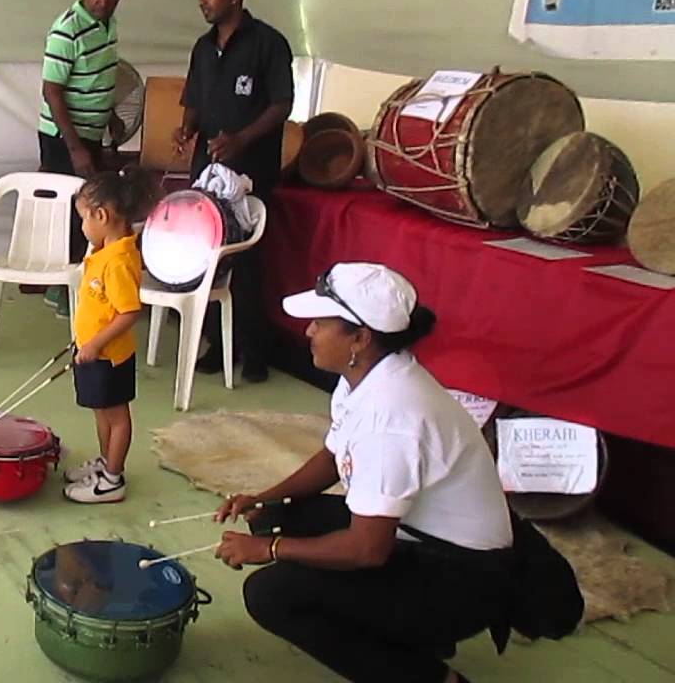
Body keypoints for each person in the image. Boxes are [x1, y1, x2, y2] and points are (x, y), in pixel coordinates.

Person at [213, 263, 513, 683]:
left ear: (360, 337)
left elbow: (367, 550)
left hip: (463, 579)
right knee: (276, 514)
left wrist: (269, 551)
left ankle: (429, 674)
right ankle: (393, 625)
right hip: (421, 539)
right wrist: (264, 497)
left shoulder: (391, 418)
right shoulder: (365, 374)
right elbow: (333, 456)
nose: (308, 332)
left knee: (269, 593)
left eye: (320, 323)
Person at [174, 0, 294, 383]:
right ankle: (217, 344)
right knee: (206, 255)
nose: (203, 0)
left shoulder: (269, 44)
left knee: (246, 259)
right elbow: (194, 98)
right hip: (207, 171)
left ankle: (255, 350)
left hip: (251, 170)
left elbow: (282, 105)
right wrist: (187, 126)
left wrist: (241, 140)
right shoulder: (203, 48)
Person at [36, 0, 126, 319]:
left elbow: (101, 79)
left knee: (90, 211)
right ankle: (61, 290)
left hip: (91, 132)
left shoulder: (109, 26)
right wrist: (75, 148)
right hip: (64, 136)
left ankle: (75, 283)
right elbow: (52, 91)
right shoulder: (66, 30)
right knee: (74, 213)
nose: (102, 0)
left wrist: (112, 117)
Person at [62, 170, 156, 504]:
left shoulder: (118, 261)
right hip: (94, 351)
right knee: (101, 412)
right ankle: (105, 464)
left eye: (83, 219)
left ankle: (113, 480)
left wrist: (96, 344)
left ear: (101, 215)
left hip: (109, 356)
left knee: (116, 417)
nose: (83, 227)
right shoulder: (105, 250)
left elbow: (130, 312)